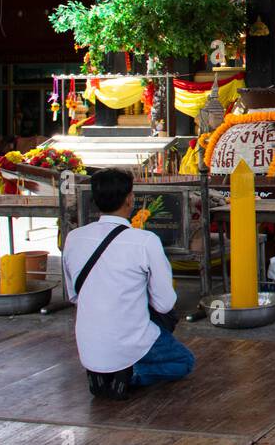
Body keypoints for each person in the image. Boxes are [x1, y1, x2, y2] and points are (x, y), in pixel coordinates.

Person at [62, 169, 193, 400]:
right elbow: (165, 304)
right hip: (130, 340)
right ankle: (129, 374)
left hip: (88, 349)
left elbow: (73, 295)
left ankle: (110, 373)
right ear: (130, 199)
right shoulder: (145, 241)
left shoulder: (73, 238)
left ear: (94, 200)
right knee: (184, 361)